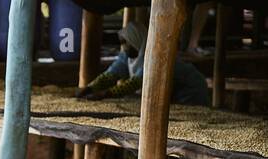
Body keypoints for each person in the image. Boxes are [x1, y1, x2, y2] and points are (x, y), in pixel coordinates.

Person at [77, 23, 211, 106]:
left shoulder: (153, 56)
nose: (124, 46)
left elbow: (136, 82)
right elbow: (110, 75)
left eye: (126, 42)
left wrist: (105, 94)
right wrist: (89, 88)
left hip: (191, 90)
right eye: (122, 43)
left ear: (136, 41)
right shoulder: (127, 57)